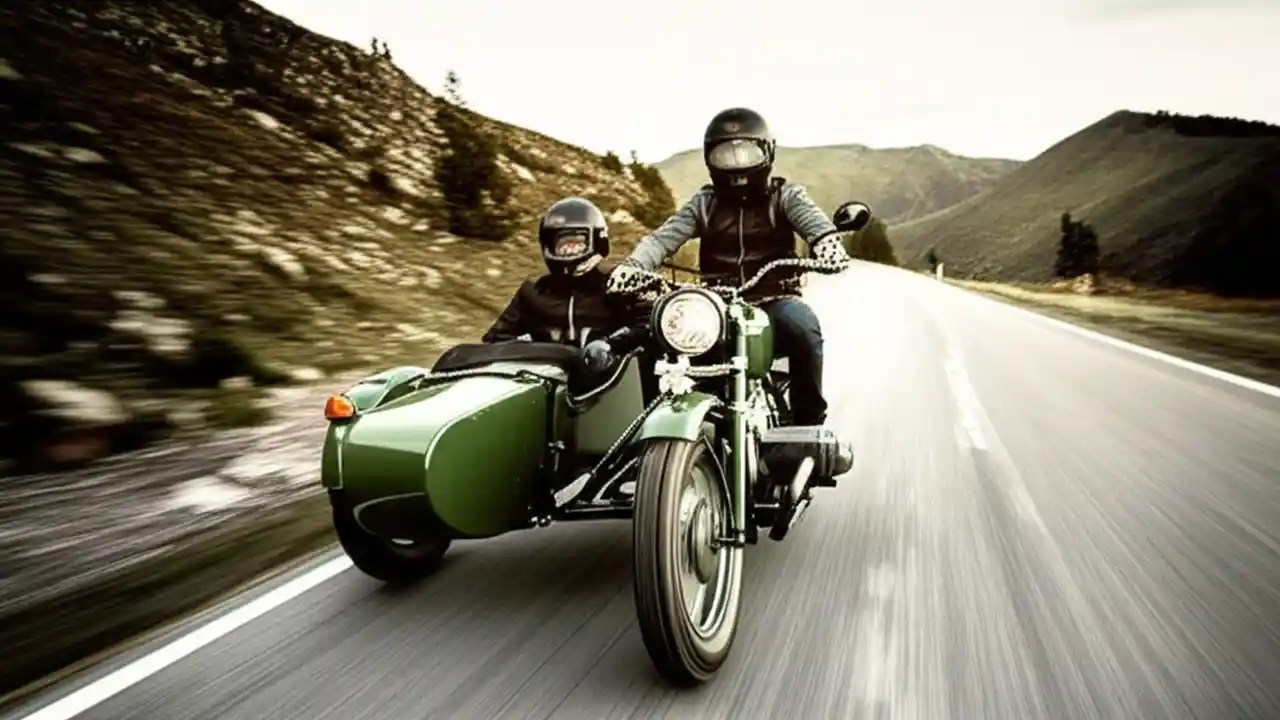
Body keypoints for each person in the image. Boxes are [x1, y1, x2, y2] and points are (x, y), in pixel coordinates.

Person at [607, 107, 852, 426]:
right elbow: (660, 240)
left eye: (746, 152)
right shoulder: (704, 204)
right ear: (710, 158)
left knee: (803, 328)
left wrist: (828, 243)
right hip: (715, 303)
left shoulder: (785, 196)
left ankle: (809, 424)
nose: (737, 164)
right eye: (726, 155)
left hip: (774, 300)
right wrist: (633, 266)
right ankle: (655, 426)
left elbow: (815, 224)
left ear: (767, 152)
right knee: (655, 333)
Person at [483, 197, 650, 377]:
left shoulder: (618, 284)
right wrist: (525, 346)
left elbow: (650, 325)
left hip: (610, 384)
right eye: (563, 245)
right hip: (546, 383)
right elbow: (495, 342)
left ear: (598, 240)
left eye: (577, 244)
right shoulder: (532, 291)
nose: (569, 251)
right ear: (548, 245)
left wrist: (613, 343)